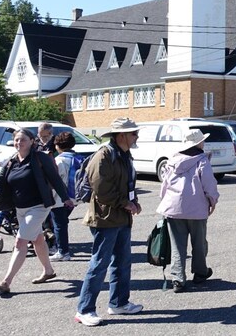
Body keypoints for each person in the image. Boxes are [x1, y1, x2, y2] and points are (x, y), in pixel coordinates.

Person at [0, 129, 74, 295]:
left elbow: (55, 179)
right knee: (38, 239)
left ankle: (6, 281)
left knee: (20, 242)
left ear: (32, 141)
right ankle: (48, 271)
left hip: (39, 206)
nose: (19, 143)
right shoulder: (12, 161)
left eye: (23, 140)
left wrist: (66, 198)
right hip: (20, 208)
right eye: (16, 140)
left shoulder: (41, 158)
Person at [75, 117, 144, 326]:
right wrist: (126, 203)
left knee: (122, 262)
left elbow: (128, 183)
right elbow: (101, 189)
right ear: (121, 135)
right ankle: (84, 309)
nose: (136, 136)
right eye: (133, 133)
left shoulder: (124, 155)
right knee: (99, 264)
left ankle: (119, 303)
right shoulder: (103, 155)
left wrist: (134, 201)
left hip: (121, 217)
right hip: (104, 218)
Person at [156, 128, 220, 292]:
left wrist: (164, 201)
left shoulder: (172, 160)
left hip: (173, 208)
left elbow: (164, 186)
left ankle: (178, 279)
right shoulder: (201, 160)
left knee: (178, 245)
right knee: (199, 243)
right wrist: (213, 201)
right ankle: (200, 273)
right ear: (199, 143)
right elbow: (209, 185)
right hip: (197, 208)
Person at [50, 131, 80, 262]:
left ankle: (63, 251)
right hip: (74, 196)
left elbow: (56, 181)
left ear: (57, 145)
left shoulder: (59, 160)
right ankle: (58, 247)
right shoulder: (78, 158)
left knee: (59, 224)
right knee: (61, 223)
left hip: (59, 199)